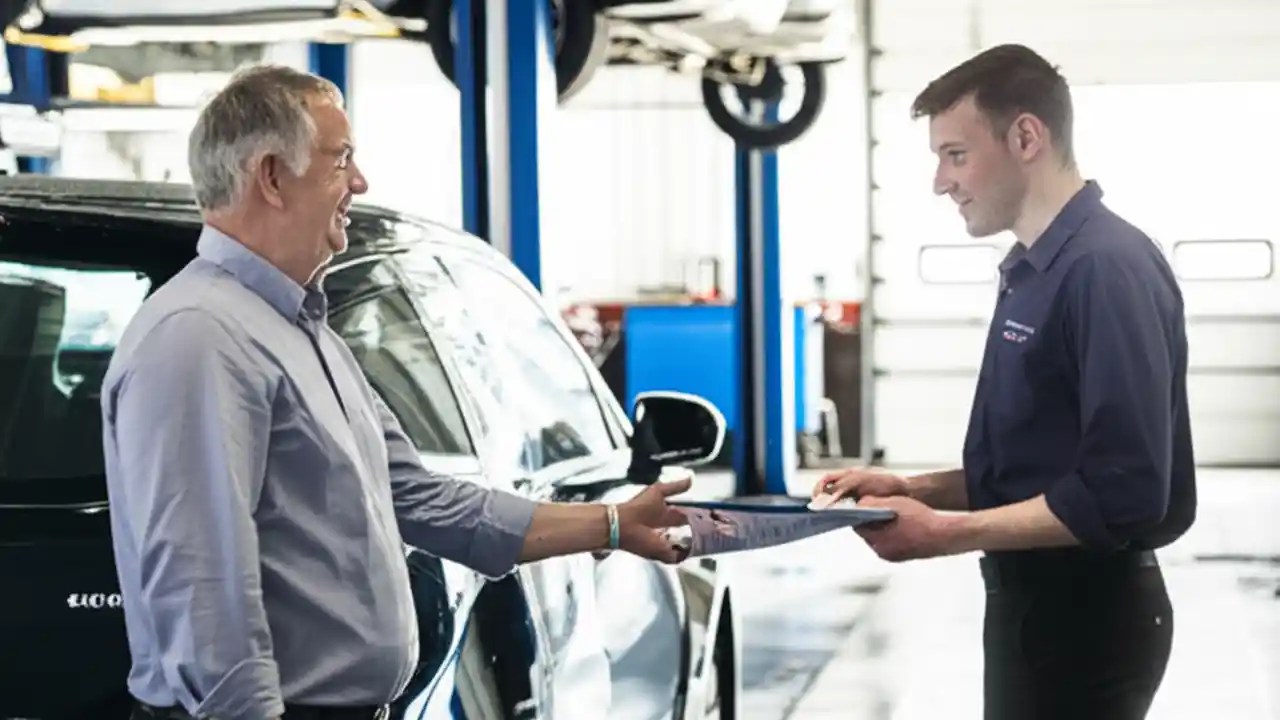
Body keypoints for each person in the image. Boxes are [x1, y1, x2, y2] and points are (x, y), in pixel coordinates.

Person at [101, 64, 692, 720]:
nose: (358, 183)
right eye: (340, 160)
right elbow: (204, 595)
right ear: (271, 176)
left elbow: (421, 497)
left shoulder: (298, 329)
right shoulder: (200, 338)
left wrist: (611, 523)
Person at [814, 44, 1196, 720]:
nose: (941, 181)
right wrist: (912, 488)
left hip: (1086, 620)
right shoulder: (1036, 269)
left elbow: (1124, 491)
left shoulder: (1104, 270)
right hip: (1038, 610)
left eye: (955, 155)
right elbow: (1042, 463)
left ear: (1026, 136)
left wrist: (943, 531)